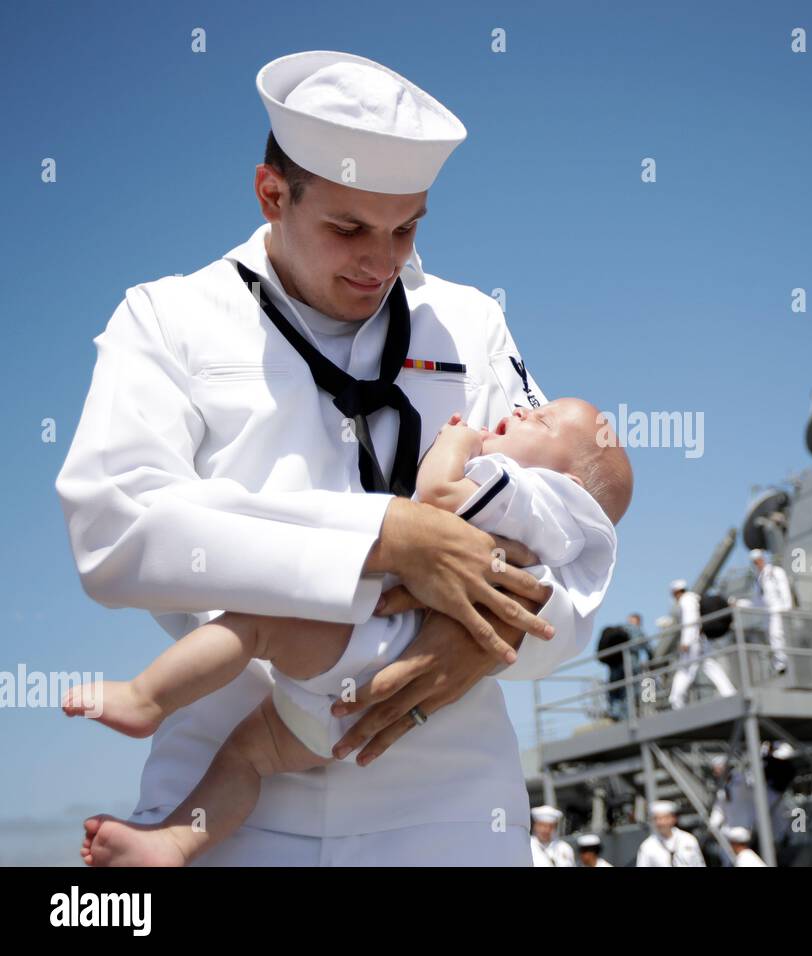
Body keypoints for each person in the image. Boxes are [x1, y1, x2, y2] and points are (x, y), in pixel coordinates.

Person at [55, 50, 594, 866]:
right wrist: (383, 536)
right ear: (272, 194)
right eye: (348, 229)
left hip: (449, 803)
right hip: (229, 790)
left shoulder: (471, 323)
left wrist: (484, 640)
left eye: (406, 228)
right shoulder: (166, 318)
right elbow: (117, 525)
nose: (382, 263)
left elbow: (572, 533)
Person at [68, 404, 628, 865]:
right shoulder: (563, 533)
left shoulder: (525, 491)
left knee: (256, 623)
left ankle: (147, 701)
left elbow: (437, 497)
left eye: (541, 419)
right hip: (369, 715)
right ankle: (171, 841)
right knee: (248, 756)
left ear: (569, 483)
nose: (523, 409)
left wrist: (454, 441)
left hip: (373, 639)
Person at [668, 580, 736, 709]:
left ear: (677, 592)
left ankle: (676, 700)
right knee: (709, 665)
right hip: (701, 639)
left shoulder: (685, 600)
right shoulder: (695, 598)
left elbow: (689, 621)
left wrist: (685, 642)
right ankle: (729, 692)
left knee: (685, 669)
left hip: (692, 641)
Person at [751, 550, 793, 674]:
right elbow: (757, 601)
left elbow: (784, 590)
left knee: (776, 635)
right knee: (771, 637)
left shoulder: (776, 572)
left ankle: (782, 663)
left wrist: (787, 608)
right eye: (755, 562)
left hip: (778, 609)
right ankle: (778, 663)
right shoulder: (759, 579)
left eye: (759, 560)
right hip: (767, 612)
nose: (758, 563)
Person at [636, 801, 705, 866]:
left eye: (664, 818)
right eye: (656, 819)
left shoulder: (688, 839)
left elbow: (699, 864)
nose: (661, 823)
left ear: (673, 819)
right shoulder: (647, 846)